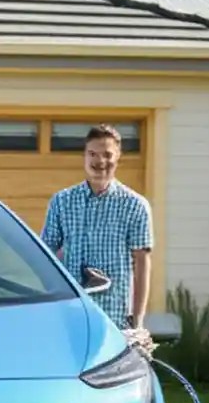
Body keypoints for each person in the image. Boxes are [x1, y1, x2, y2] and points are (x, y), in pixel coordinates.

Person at [41, 123, 153, 331]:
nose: (100, 161)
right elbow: (45, 256)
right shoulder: (62, 202)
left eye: (107, 155)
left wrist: (137, 321)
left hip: (115, 319)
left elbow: (142, 262)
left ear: (118, 157)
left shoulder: (135, 205)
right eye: (93, 154)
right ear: (84, 157)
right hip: (72, 314)